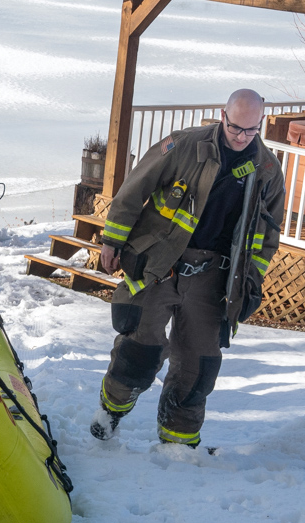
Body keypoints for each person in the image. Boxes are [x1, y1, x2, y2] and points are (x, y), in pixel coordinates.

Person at [90, 89, 284, 447]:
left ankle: (179, 443)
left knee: (199, 363)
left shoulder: (268, 171)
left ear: (261, 125)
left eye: (250, 131)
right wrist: (112, 239)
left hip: (216, 277)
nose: (241, 137)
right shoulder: (183, 145)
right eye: (235, 127)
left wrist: (249, 282)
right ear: (222, 116)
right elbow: (135, 188)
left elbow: (265, 238)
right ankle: (111, 409)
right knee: (140, 346)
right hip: (160, 263)